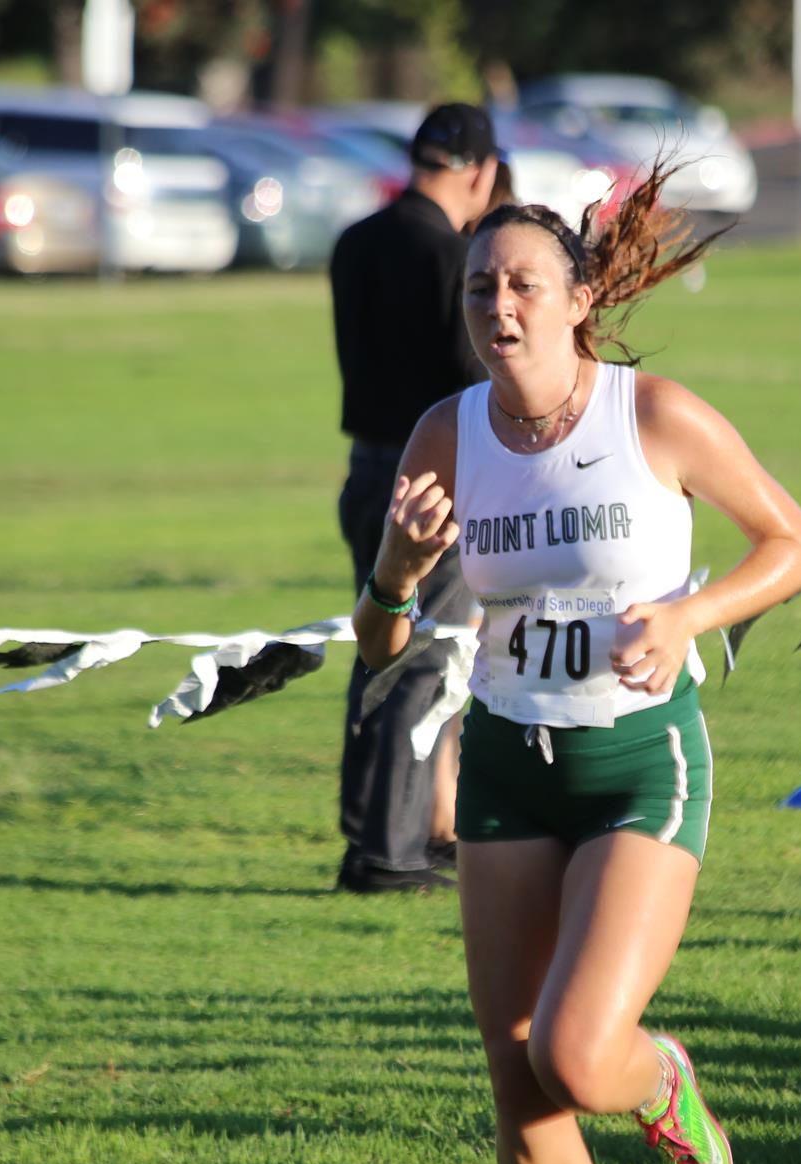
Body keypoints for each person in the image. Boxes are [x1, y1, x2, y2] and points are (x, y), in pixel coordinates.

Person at [350, 167, 801, 1164]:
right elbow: (377, 647)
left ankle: (664, 1081)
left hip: (637, 765)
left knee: (576, 1050)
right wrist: (399, 576)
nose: (495, 307)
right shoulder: (443, 434)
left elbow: (795, 542)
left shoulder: (649, 414)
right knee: (514, 1072)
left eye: (520, 284)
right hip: (508, 766)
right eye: (477, 289)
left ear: (574, 301)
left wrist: (685, 616)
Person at [329, 103, 499, 893]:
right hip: (431, 486)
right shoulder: (453, 257)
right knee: (424, 662)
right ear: (480, 173)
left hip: (365, 474)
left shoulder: (355, 242)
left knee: (377, 643)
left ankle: (380, 823)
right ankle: (388, 855)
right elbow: (473, 383)